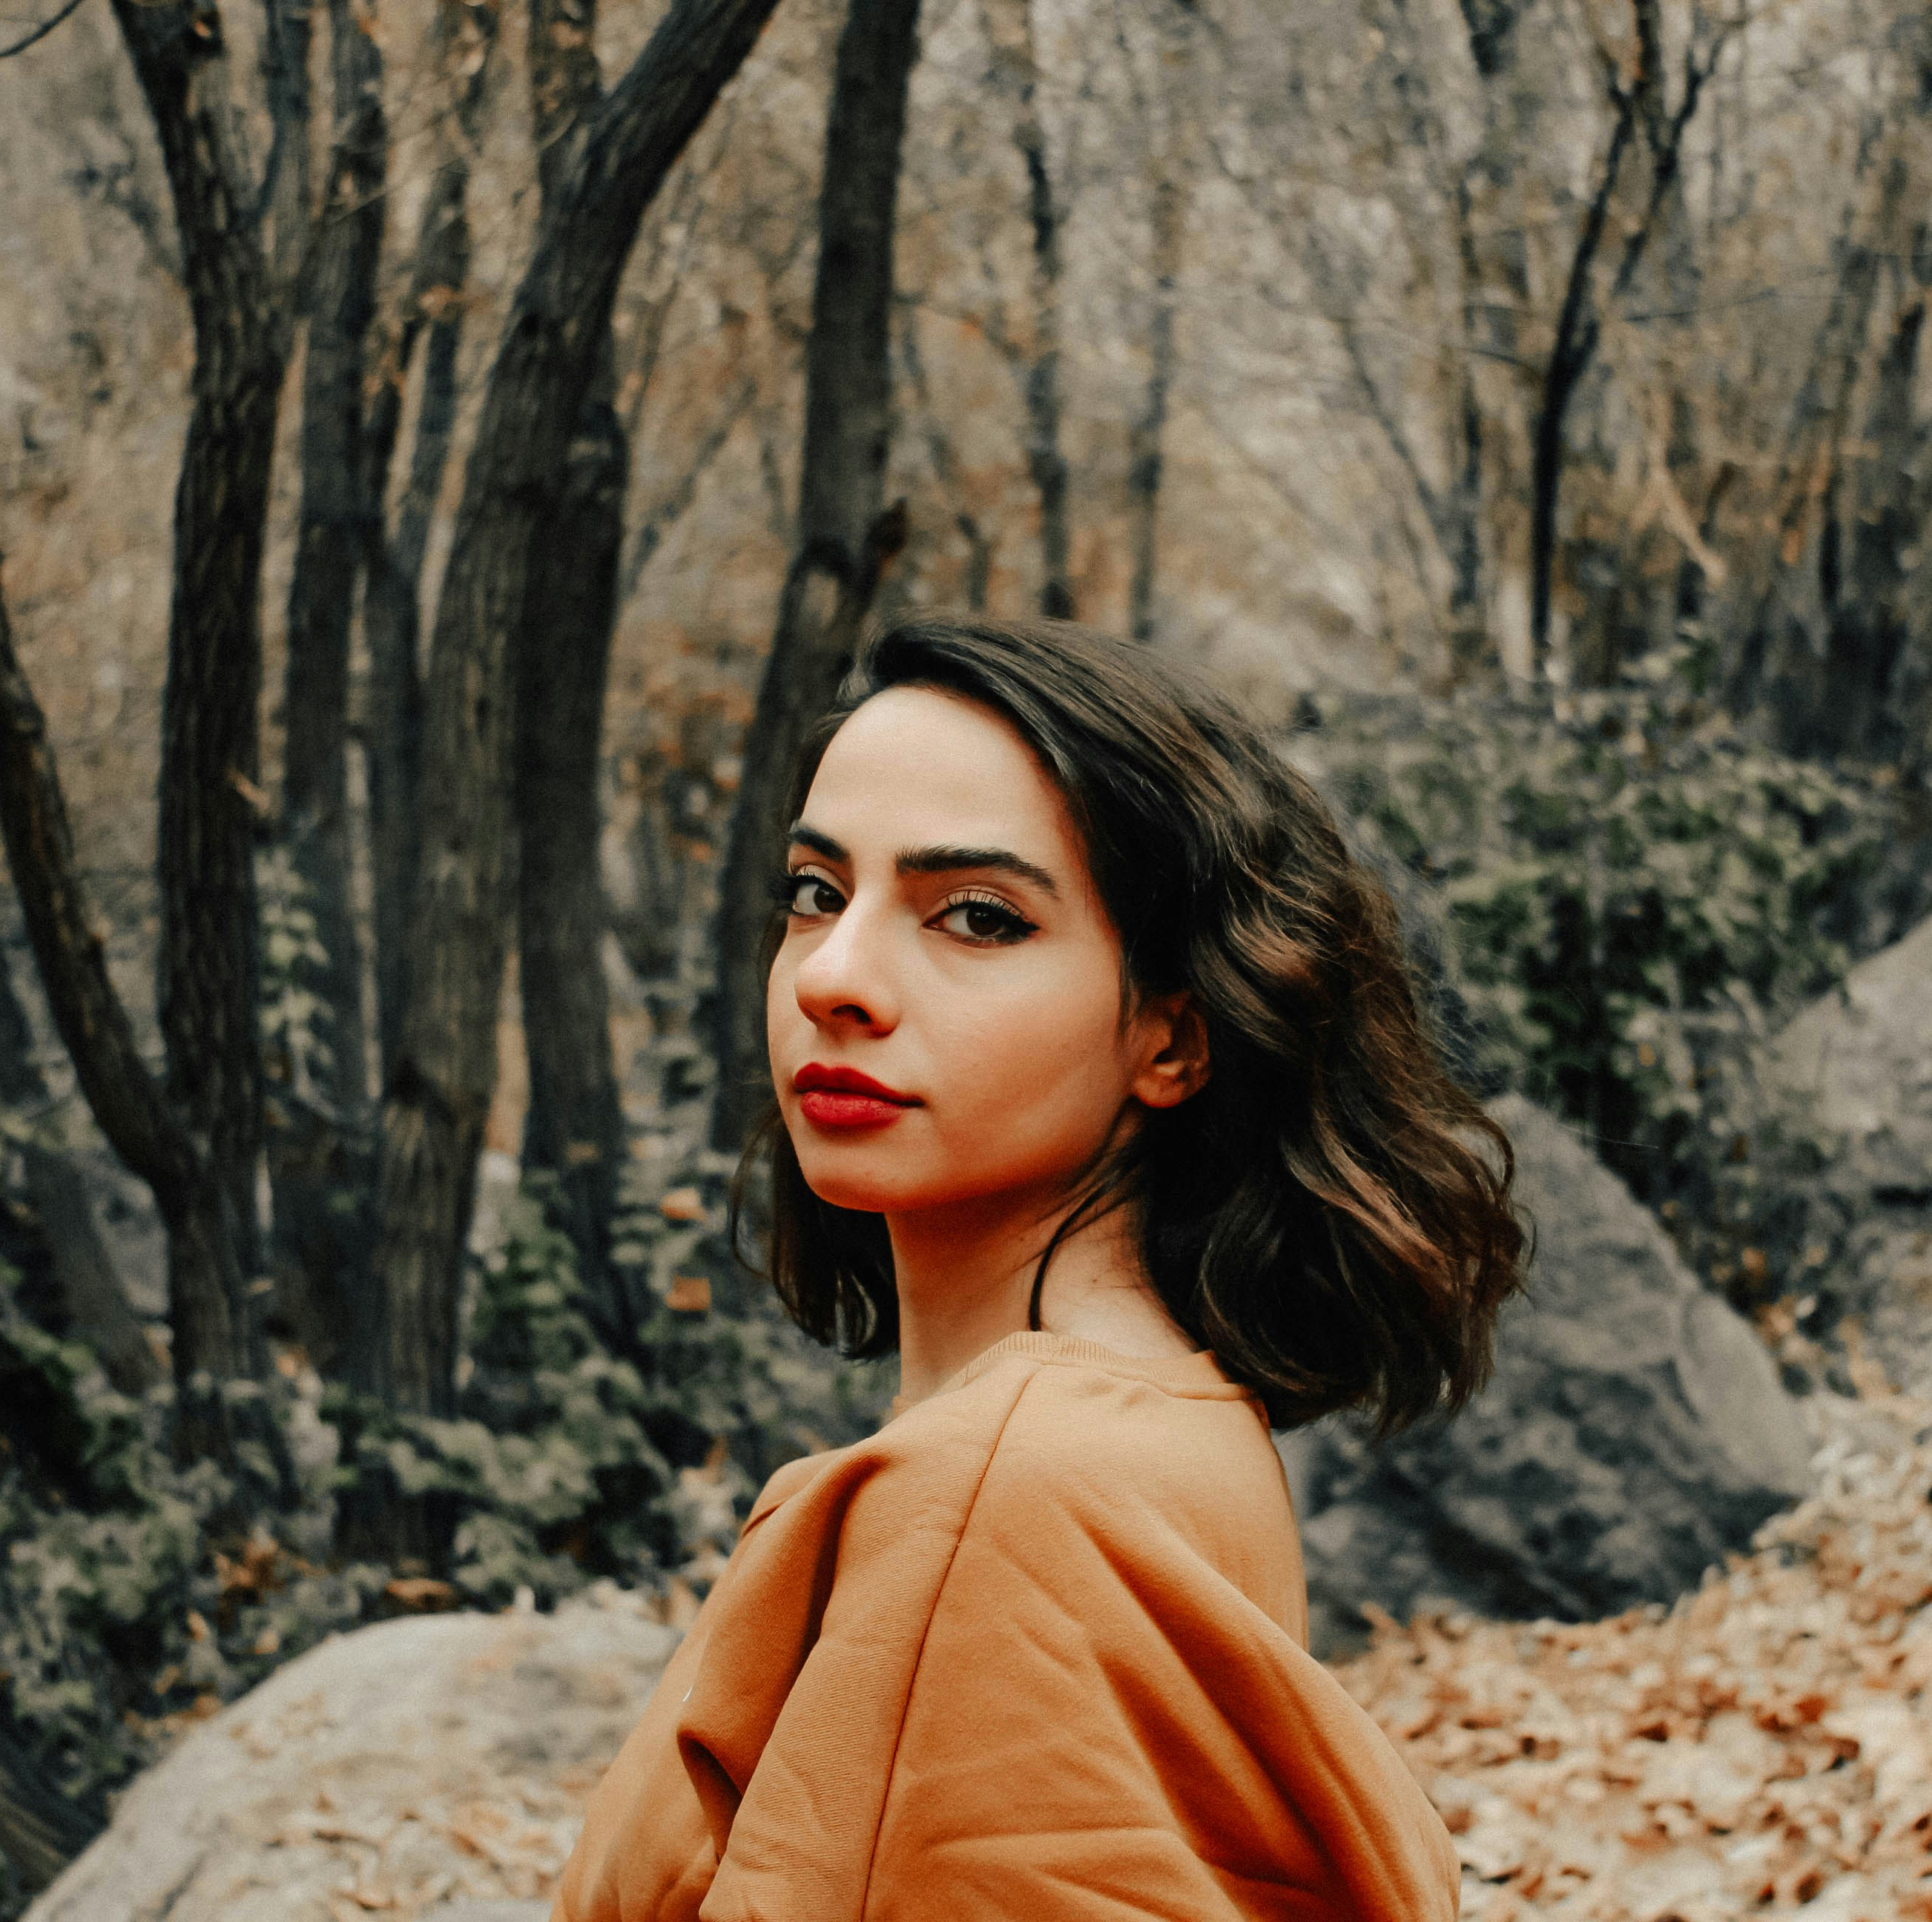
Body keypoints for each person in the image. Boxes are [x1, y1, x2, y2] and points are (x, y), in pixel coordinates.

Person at [550, 612, 1525, 1921]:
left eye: (976, 917)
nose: (834, 976)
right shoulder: (1164, 1428)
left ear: (1173, 1038)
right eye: (817, 892)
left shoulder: (1002, 1495)